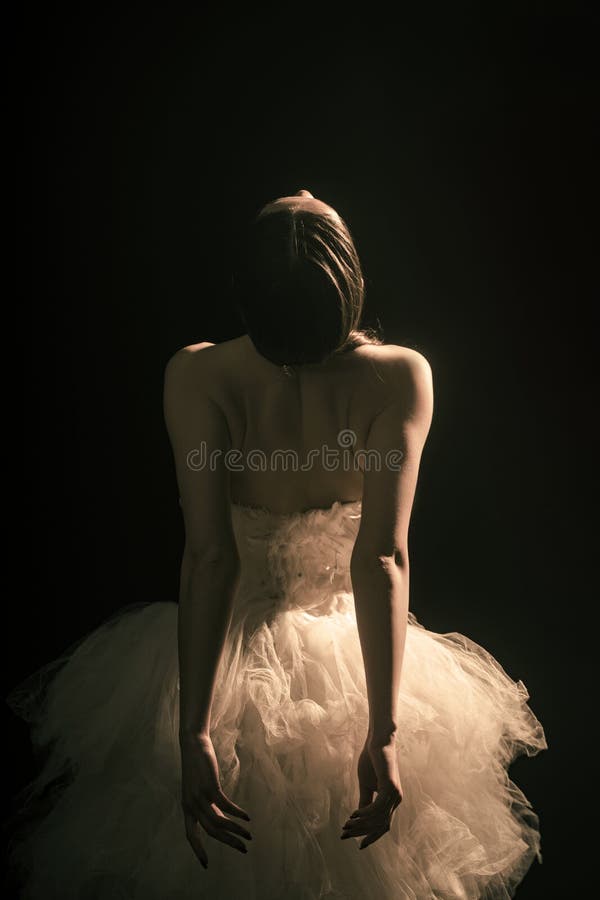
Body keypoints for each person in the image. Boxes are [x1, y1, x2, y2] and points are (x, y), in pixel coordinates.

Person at [6, 190, 547, 899]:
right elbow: (381, 559)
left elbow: (211, 558)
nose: (306, 193)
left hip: (224, 658)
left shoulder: (198, 375)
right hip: (350, 666)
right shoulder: (399, 376)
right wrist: (383, 733)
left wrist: (196, 732)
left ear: (247, 293)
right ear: (347, 283)